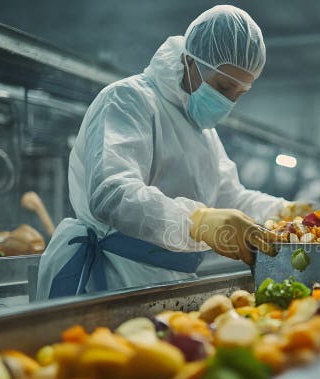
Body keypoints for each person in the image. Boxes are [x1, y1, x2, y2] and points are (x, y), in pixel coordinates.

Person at [37, 5, 303, 300]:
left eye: (239, 94)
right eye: (224, 86)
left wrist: (288, 211)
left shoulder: (203, 131)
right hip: (114, 278)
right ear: (190, 62)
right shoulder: (129, 100)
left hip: (172, 281)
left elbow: (229, 198)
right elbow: (112, 194)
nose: (228, 102)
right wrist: (197, 222)